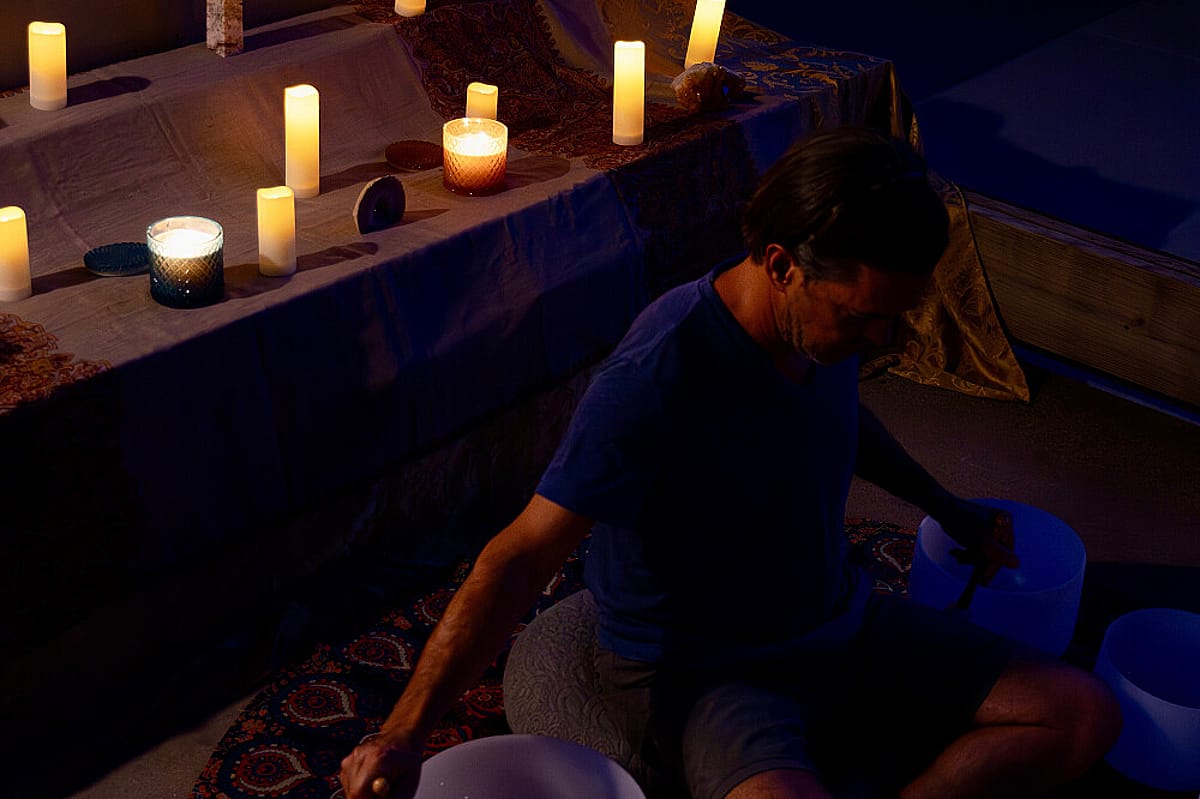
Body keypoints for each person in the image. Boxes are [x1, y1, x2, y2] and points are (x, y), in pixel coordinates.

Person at [339, 127, 1121, 799]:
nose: (882, 341)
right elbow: (520, 554)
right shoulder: (658, 376)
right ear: (783, 265)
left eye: (893, 319)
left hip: (840, 619)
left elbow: (842, 417)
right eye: (864, 318)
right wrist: (403, 733)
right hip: (709, 673)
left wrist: (948, 504)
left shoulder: (826, 330)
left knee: (1083, 714)